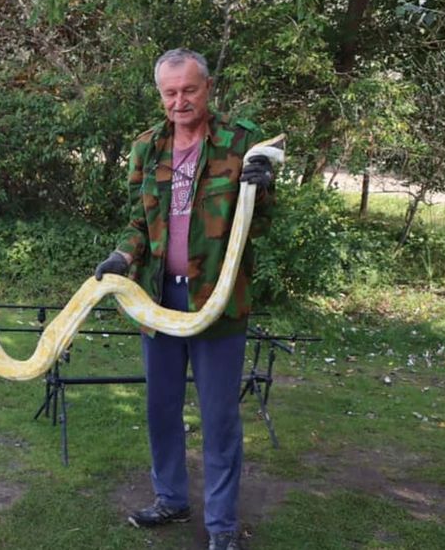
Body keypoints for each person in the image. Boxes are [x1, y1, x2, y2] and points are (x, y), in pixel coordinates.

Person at [94, 48, 275, 550]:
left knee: (218, 417)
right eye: (169, 93)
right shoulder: (147, 148)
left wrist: (264, 189)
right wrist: (120, 258)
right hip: (158, 298)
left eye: (188, 90)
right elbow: (138, 223)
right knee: (161, 406)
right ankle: (171, 498)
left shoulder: (241, 141)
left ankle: (221, 527)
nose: (179, 101)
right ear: (160, 95)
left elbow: (257, 224)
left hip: (217, 300)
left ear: (208, 86)